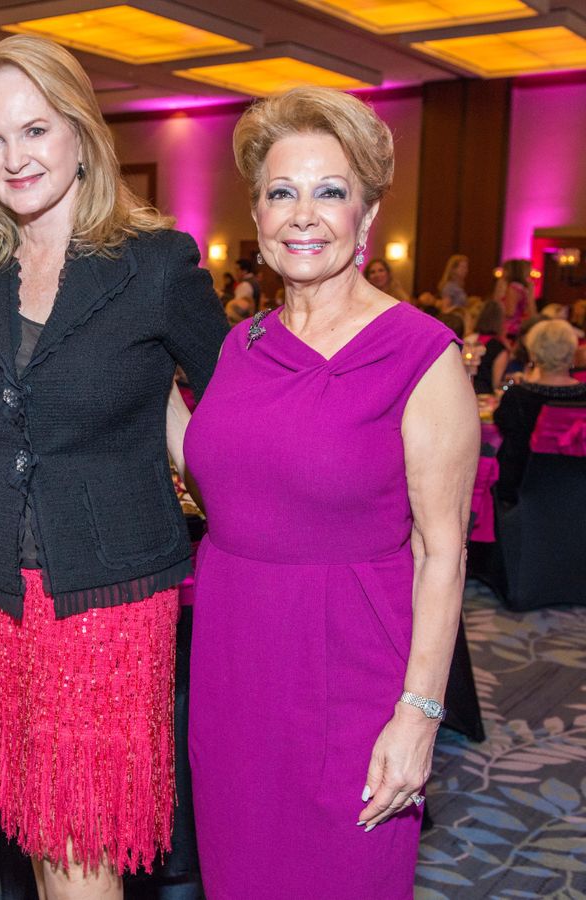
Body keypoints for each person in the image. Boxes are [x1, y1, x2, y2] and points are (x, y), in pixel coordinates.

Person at [0, 34, 228, 899]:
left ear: (80, 132)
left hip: (109, 595)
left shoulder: (156, 263)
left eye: (35, 130)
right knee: (33, 833)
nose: (14, 158)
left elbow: (235, 412)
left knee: (81, 841)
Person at [179, 86, 478, 898]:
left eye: (330, 191)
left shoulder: (421, 354)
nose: (303, 215)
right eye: (282, 192)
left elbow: (443, 554)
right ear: (257, 214)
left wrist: (419, 714)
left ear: (366, 215)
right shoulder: (240, 345)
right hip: (233, 670)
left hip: (352, 675)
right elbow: (225, 478)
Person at [494, 319, 586, 505]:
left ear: (533, 353)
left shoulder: (517, 397)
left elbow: (503, 429)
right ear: (571, 353)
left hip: (523, 492)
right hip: (579, 490)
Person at [470, 298, 509, 394]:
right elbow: (496, 384)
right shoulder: (499, 349)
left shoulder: (469, 340)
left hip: (465, 391)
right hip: (484, 397)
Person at [494, 258, 531, 336]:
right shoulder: (521, 288)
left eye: (504, 270)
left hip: (510, 329)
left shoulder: (512, 288)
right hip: (517, 326)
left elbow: (510, 312)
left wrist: (498, 301)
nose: (502, 272)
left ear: (509, 271)